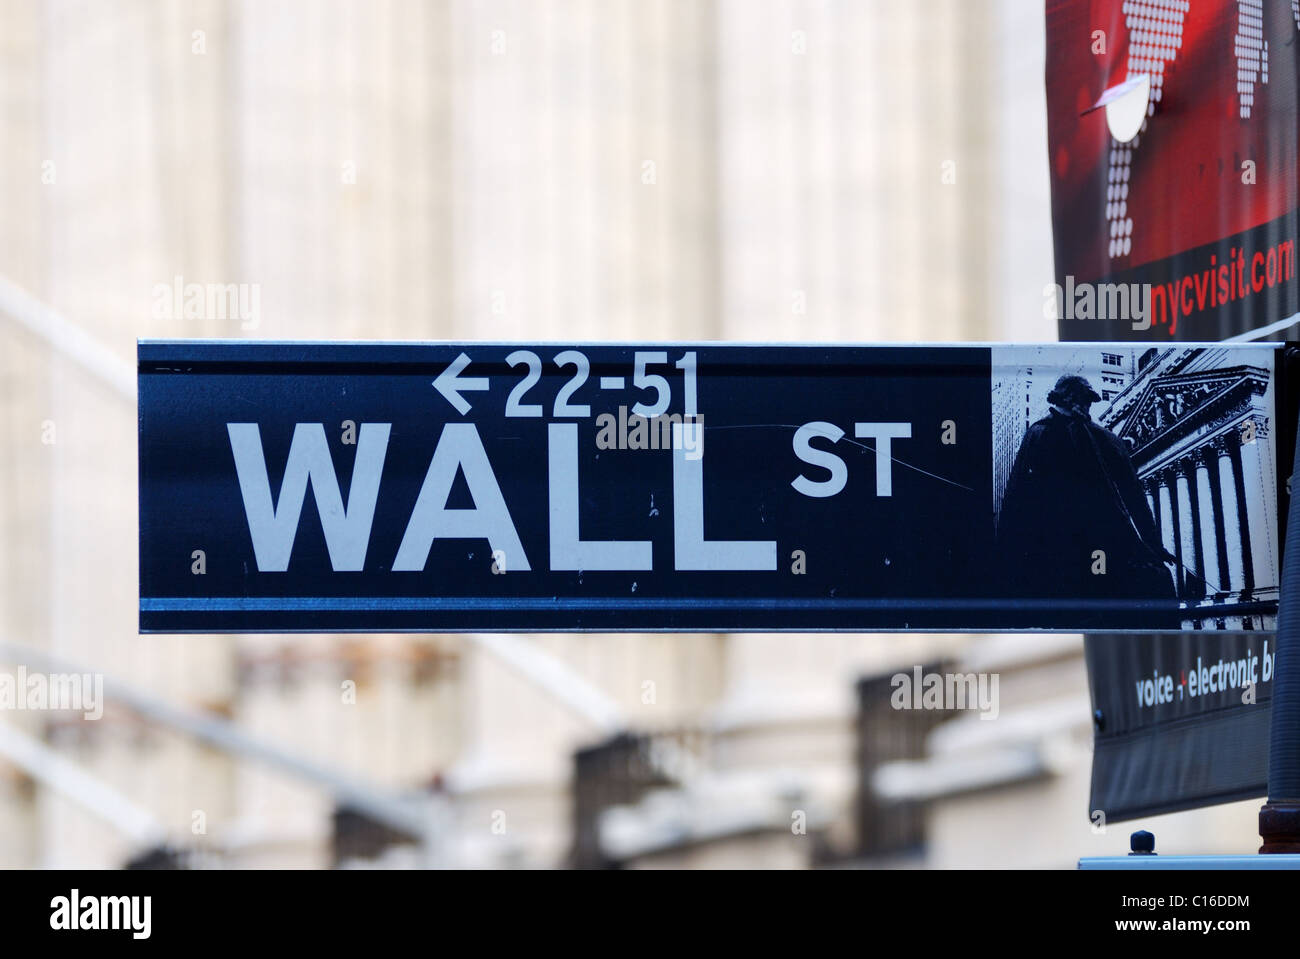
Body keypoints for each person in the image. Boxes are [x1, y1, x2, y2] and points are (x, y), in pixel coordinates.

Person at [996, 374, 1179, 629]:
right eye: (1083, 400)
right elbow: (1017, 497)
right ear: (1067, 399)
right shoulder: (1039, 434)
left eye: (1089, 401)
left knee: (1149, 585)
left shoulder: (1103, 438)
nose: (1087, 406)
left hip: (1102, 541)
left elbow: (1133, 494)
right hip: (1060, 544)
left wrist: (1154, 544)